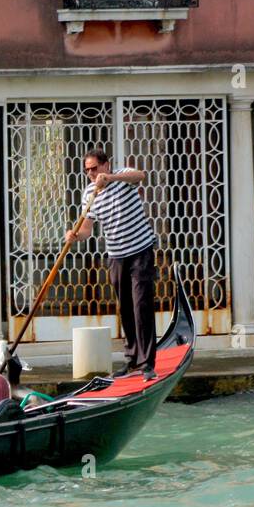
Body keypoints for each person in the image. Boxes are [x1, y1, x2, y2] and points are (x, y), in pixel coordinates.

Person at [68, 148, 158, 379]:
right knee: (125, 307)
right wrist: (75, 235)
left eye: (95, 168)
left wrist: (112, 178)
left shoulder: (122, 176)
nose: (91, 173)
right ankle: (132, 359)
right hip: (116, 255)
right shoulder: (90, 193)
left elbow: (141, 176)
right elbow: (87, 228)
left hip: (140, 250)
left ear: (106, 165)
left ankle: (147, 362)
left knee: (141, 305)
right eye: (87, 170)